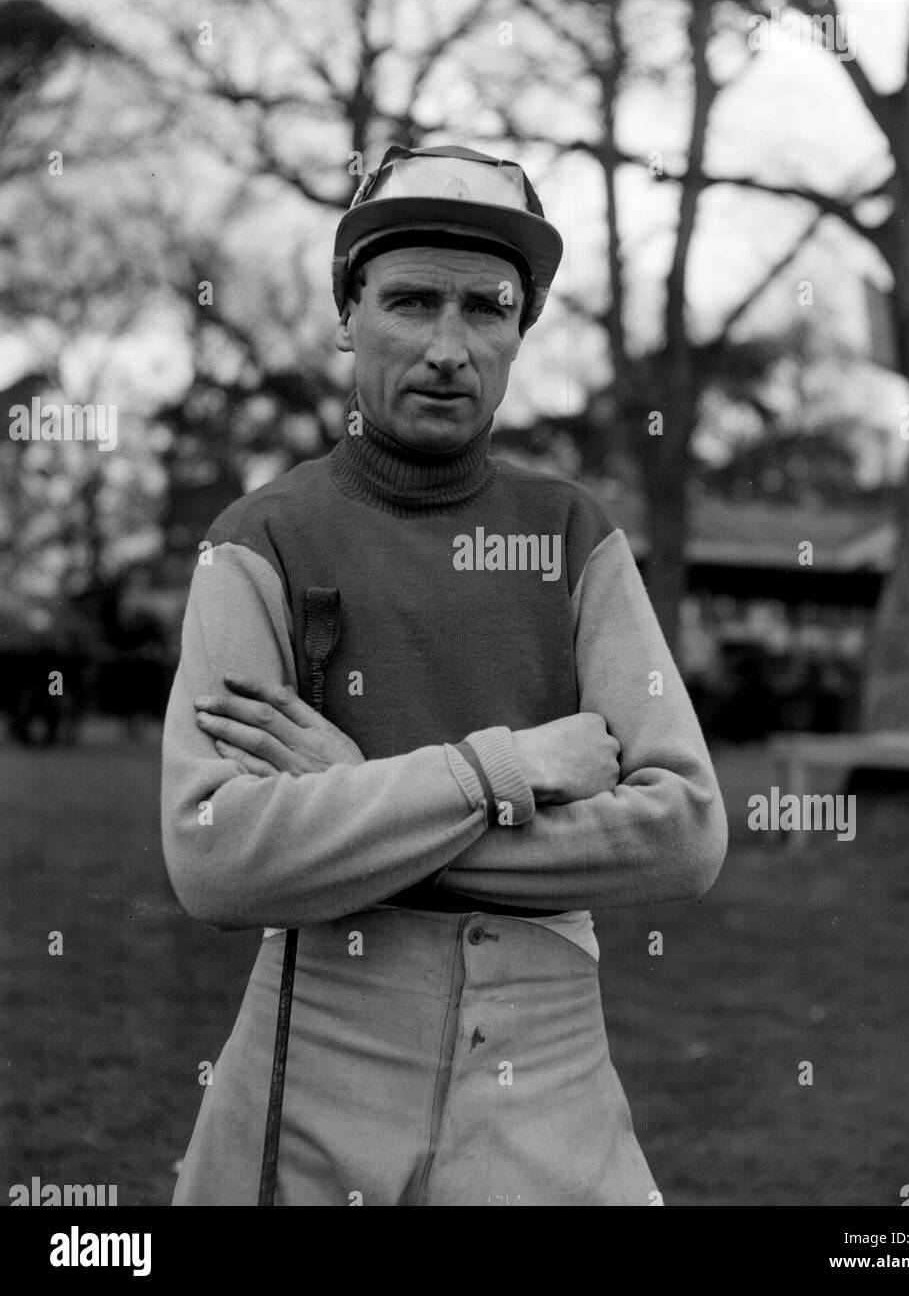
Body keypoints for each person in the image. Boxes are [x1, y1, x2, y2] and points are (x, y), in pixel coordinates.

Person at [161, 144, 728, 1207]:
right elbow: (217, 862)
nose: (448, 348)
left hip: (549, 1060)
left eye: (488, 309)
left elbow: (687, 831)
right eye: (411, 302)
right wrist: (495, 770)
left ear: (523, 330)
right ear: (347, 312)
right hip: (317, 1043)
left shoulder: (573, 535)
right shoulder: (256, 540)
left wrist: (353, 798)